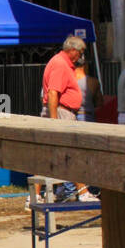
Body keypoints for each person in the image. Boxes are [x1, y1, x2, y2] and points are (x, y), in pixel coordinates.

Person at [40, 33, 85, 202]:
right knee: (70, 153)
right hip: (61, 112)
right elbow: (53, 93)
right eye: (80, 52)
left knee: (57, 154)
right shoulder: (60, 64)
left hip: (62, 111)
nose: (81, 57)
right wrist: (54, 122)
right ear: (73, 50)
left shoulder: (61, 63)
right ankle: (83, 191)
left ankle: (51, 191)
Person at [74, 56, 103, 203]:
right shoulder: (93, 82)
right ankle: (90, 187)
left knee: (74, 153)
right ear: (85, 65)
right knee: (90, 154)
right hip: (88, 117)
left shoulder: (70, 80)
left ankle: (73, 187)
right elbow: (100, 102)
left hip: (73, 117)